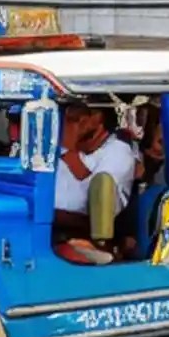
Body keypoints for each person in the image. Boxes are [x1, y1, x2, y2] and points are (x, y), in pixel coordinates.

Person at [53, 103, 138, 265]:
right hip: (44, 228)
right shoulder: (59, 151)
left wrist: (68, 149)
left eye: (74, 118)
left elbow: (97, 202)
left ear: (97, 118)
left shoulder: (118, 151)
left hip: (84, 234)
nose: (66, 123)